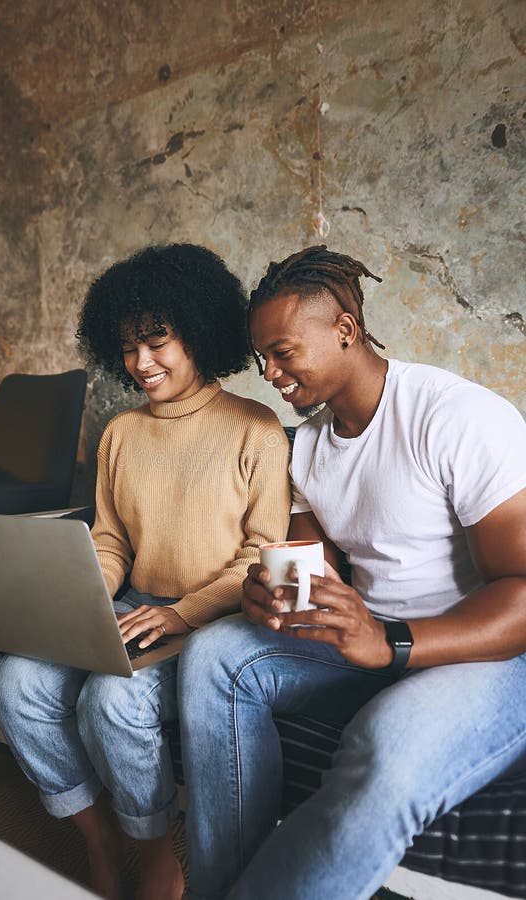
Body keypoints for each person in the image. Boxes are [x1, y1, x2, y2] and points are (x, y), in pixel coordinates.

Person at [177, 245, 526, 900]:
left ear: (345, 329)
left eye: (283, 352)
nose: (270, 374)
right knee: (216, 653)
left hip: (489, 656)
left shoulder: (457, 418)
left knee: (384, 748)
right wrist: (272, 596)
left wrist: (393, 643)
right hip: (368, 642)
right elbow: (314, 580)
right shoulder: (307, 448)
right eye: (261, 360)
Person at [0, 244, 291, 900]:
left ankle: (155, 856)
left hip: (211, 624)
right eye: (127, 348)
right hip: (128, 608)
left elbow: (261, 559)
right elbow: (112, 538)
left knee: (112, 698)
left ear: (201, 334)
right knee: (16, 681)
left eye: (156, 343)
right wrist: (87, 584)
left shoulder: (258, 432)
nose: (140, 363)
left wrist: (181, 613)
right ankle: (100, 841)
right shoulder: (120, 433)